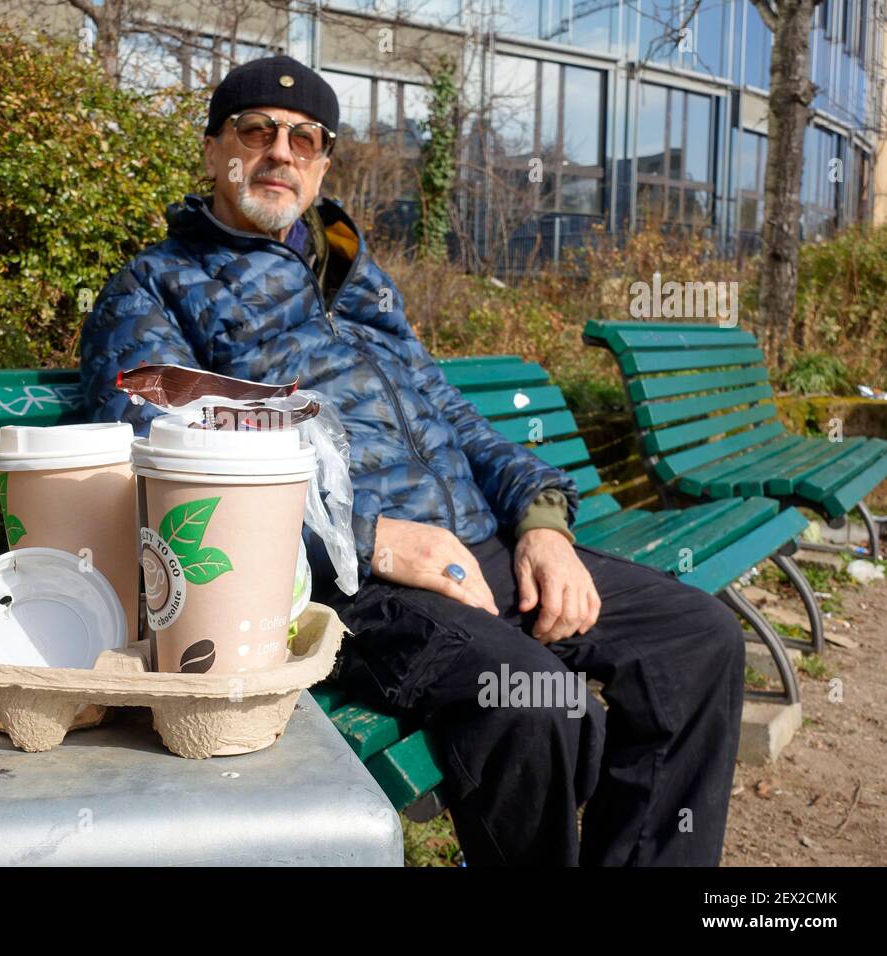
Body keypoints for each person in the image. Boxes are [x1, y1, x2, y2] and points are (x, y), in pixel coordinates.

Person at [79, 55, 744, 866]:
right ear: (216, 148)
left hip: (479, 549)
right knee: (544, 703)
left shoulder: (352, 272)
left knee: (699, 640)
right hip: (348, 586)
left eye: (304, 139)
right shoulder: (155, 286)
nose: (280, 153)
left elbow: (452, 416)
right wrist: (375, 540)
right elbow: (163, 461)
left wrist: (542, 523)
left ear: (322, 165)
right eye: (256, 131)